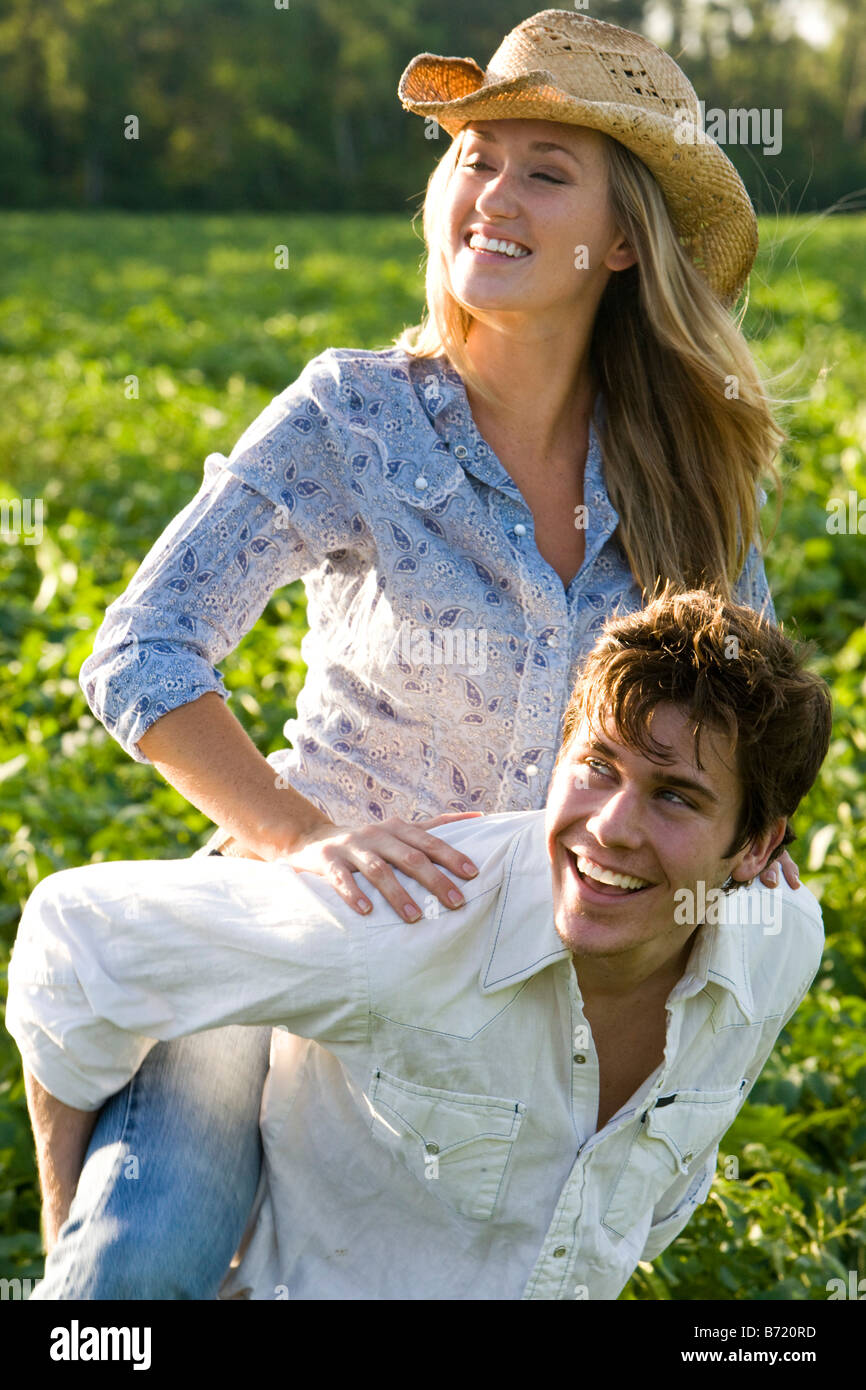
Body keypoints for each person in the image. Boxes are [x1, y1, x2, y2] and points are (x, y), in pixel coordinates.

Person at [19, 10, 799, 1296]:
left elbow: (745, 736)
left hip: (511, 997)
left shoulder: (688, 476)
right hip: (289, 937)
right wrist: (301, 834)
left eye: (544, 169)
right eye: (474, 157)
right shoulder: (355, 412)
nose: (490, 192)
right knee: (134, 1267)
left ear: (619, 242)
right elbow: (141, 649)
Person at [7, 587, 832, 1300]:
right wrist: (69, 1226)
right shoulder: (412, 920)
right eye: (598, 768)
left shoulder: (777, 945)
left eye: (677, 798)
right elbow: (74, 938)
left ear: (760, 847)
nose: (611, 830)